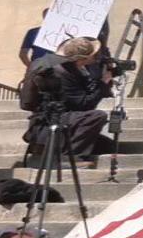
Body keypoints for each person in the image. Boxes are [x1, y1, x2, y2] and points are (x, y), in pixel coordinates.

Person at [23, 37, 115, 169]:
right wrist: (103, 84)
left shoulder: (45, 63)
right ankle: (67, 158)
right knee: (97, 116)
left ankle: (65, 152)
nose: (95, 59)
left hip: (54, 118)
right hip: (50, 121)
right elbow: (84, 104)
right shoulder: (62, 71)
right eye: (93, 56)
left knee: (107, 146)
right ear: (81, 59)